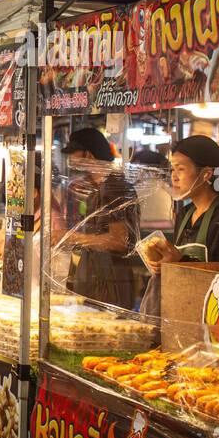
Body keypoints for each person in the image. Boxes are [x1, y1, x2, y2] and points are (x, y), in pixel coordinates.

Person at [59, 126, 139, 310]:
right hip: (92, 276)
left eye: (73, 153)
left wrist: (72, 238)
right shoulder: (91, 188)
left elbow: (120, 240)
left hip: (111, 281)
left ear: (88, 155)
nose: (70, 160)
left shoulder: (114, 188)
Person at [147, 135, 219, 268]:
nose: (174, 177)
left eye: (180, 169)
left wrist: (180, 261)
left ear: (206, 174)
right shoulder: (185, 214)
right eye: (172, 169)